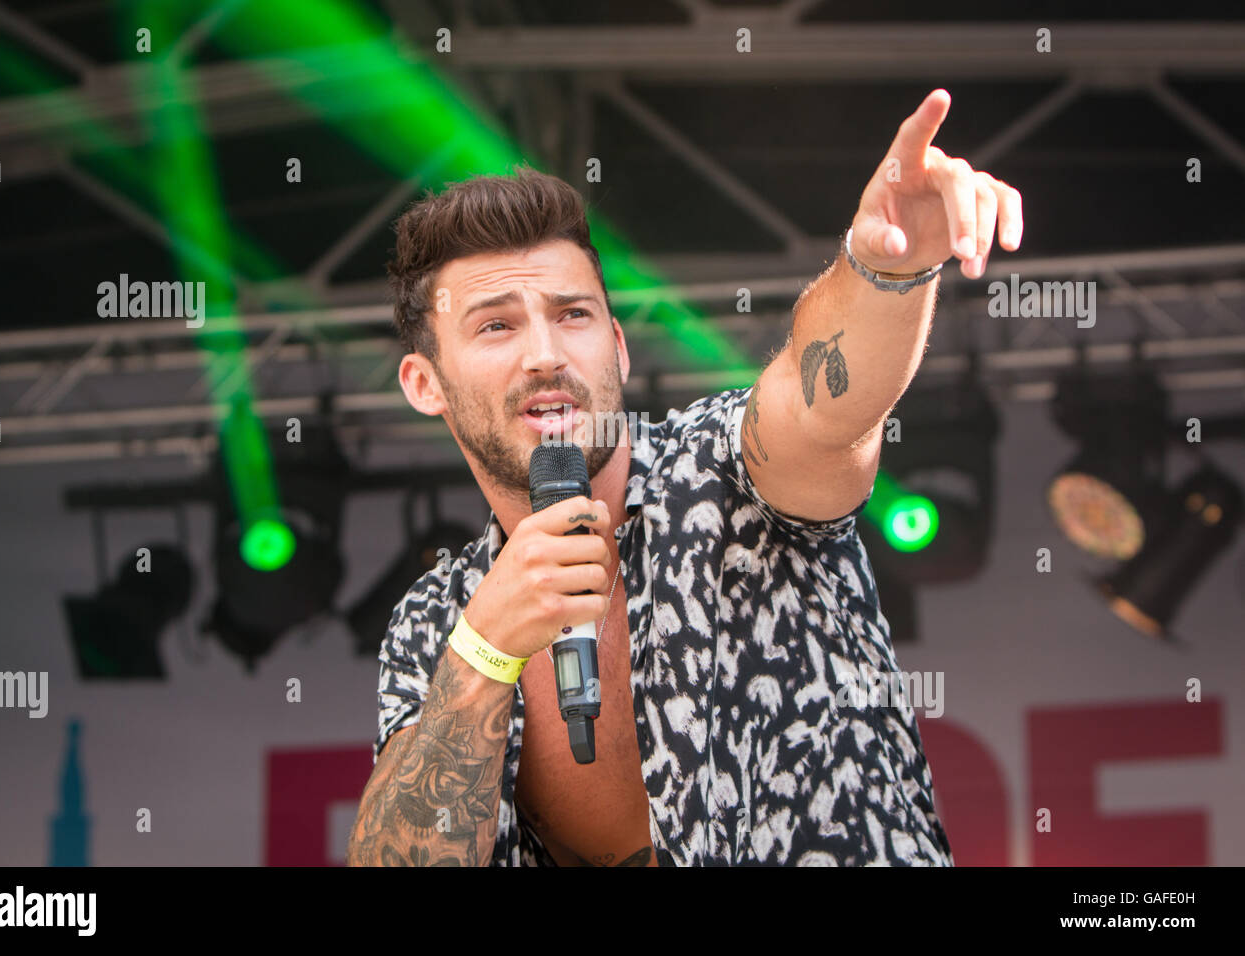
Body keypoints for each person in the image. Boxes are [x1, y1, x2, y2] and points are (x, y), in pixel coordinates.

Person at [347, 88, 1023, 866]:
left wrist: (884, 270)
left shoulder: (723, 469)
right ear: (423, 384)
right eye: (496, 325)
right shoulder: (439, 621)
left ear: (620, 347)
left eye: (574, 315)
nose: (545, 353)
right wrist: (487, 649)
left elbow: (821, 406)